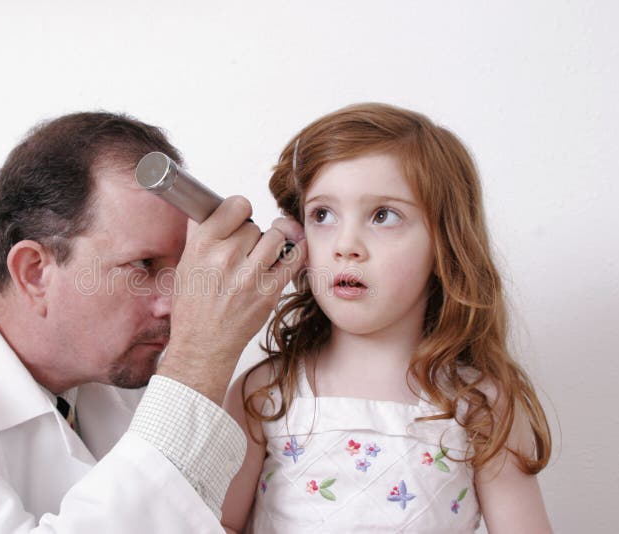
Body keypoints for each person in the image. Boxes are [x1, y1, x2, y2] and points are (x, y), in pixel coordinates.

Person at [0, 112, 306, 532]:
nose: (174, 305)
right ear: (35, 272)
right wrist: (201, 356)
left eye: (182, 269)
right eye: (144, 266)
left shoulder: (118, 375)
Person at [220, 103, 553, 533]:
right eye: (322, 215)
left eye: (383, 215)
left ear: (445, 246)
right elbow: (216, 525)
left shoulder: (478, 405)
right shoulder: (264, 395)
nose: (346, 244)